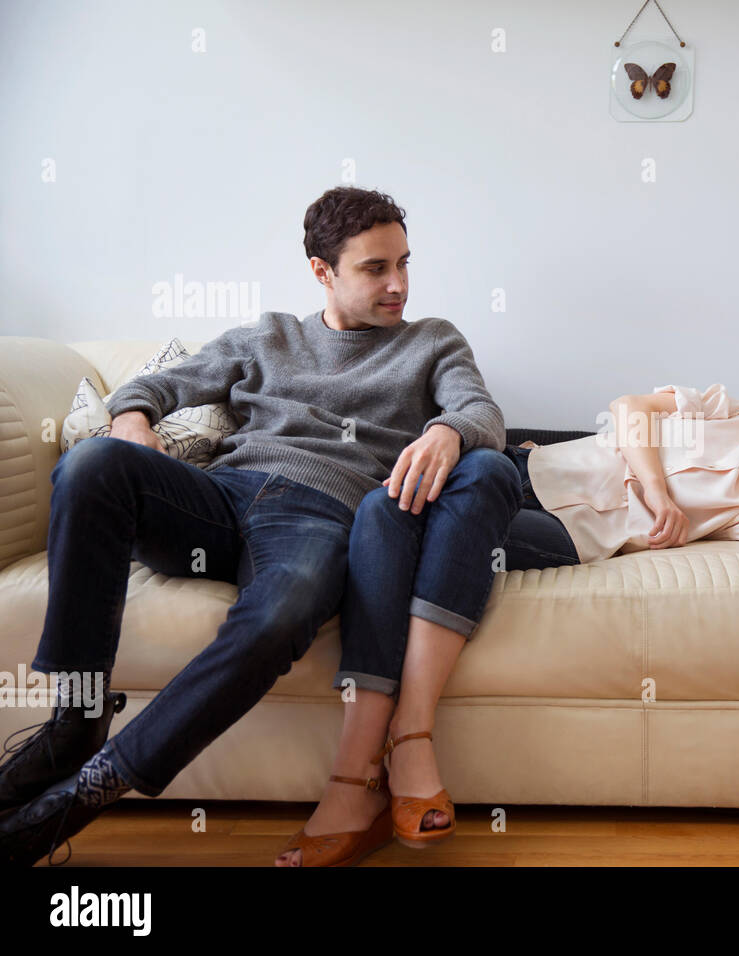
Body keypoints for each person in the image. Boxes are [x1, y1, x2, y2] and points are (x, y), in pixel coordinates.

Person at [274, 381, 739, 865]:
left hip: (564, 529)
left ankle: (371, 764)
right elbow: (631, 408)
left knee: (400, 511)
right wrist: (657, 487)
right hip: (534, 462)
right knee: (397, 501)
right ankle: (397, 755)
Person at [0, 186, 516, 868]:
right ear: (322, 272)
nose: (399, 284)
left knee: (282, 613)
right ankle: (75, 723)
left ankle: (87, 794)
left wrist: (450, 432)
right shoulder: (267, 336)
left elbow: (481, 411)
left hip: (321, 518)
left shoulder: (432, 342)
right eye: (375, 268)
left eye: (404, 263)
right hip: (218, 500)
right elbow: (155, 388)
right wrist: (130, 422)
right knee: (95, 463)